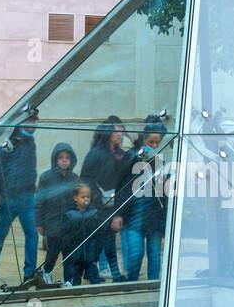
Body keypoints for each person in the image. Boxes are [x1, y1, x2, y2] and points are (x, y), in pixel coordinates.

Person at [0, 125, 38, 282]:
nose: (33, 125)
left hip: (27, 196)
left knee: (32, 233)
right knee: (1, 231)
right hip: (9, 197)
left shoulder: (30, 142)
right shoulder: (8, 143)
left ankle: (30, 271)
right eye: (29, 121)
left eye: (34, 121)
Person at [119, 121, 170, 282]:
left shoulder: (161, 162)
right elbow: (121, 185)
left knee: (154, 254)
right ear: (144, 140)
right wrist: (120, 213)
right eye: (151, 142)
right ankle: (131, 283)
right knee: (136, 254)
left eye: (157, 143)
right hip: (135, 216)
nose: (154, 146)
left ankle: (153, 284)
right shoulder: (132, 157)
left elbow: (165, 191)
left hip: (155, 216)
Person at [81, 116, 129, 282]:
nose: (120, 134)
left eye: (121, 131)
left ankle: (113, 274)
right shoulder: (96, 154)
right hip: (98, 205)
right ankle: (93, 272)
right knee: (98, 242)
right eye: (116, 131)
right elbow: (85, 179)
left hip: (112, 204)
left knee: (108, 242)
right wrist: (96, 196)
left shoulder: (118, 154)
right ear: (107, 133)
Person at [35, 142, 78, 284]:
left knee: (69, 254)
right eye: (61, 157)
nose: (64, 160)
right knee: (52, 252)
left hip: (69, 225)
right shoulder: (46, 177)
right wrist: (39, 223)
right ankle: (47, 273)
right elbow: (39, 201)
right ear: (55, 160)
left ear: (71, 160)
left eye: (67, 158)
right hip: (52, 223)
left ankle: (68, 280)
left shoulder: (75, 179)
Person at [61, 182, 102, 286]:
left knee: (95, 282)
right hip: (74, 258)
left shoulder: (94, 213)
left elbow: (98, 235)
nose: (86, 199)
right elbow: (65, 235)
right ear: (75, 198)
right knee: (74, 283)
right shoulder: (69, 215)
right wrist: (68, 251)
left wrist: (96, 253)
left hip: (90, 257)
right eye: (83, 197)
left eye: (88, 197)